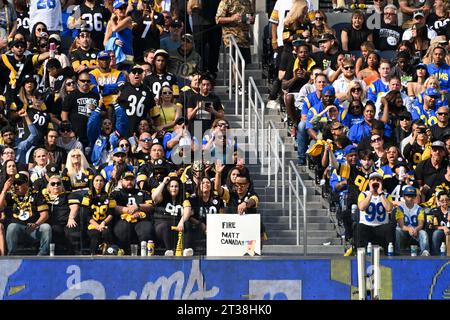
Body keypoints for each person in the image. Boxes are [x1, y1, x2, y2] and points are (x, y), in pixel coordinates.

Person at [0, 172, 51, 255]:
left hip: (34, 229)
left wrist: (36, 224)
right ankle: (11, 255)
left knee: (46, 227)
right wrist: (4, 190)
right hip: (18, 230)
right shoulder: (9, 196)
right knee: (12, 227)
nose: (16, 186)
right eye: (14, 183)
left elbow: (45, 215)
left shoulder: (36, 195)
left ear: (26, 184)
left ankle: (42, 255)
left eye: (19, 183)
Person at [111, 171, 155, 254]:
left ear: (135, 181)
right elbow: (113, 207)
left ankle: (145, 254)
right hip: (124, 219)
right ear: (121, 181)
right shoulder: (116, 193)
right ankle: (123, 252)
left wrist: (138, 207)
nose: (129, 182)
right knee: (121, 230)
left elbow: (151, 206)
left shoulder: (143, 193)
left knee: (146, 229)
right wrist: (127, 210)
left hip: (141, 219)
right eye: (126, 179)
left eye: (131, 179)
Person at [152, 173, 193, 256]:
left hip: (178, 227)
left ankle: (186, 250)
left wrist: (181, 222)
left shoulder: (183, 198)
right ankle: (169, 250)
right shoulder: (162, 197)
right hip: (162, 227)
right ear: (167, 187)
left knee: (187, 223)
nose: (174, 188)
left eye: (176, 186)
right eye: (171, 186)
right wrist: (163, 183)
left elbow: (188, 210)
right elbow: (154, 197)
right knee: (165, 226)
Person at [356, 172, 394, 255]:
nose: (375, 182)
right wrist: (371, 192)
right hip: (367, 226)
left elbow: (389, 208)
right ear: (369, 183)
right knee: (360, 227)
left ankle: (390, 253)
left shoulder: (387, 196)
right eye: (373, 180)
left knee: (389, 227)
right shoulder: (363, 194)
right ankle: (359, 253)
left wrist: (380, 193)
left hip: (381, 226)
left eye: (378, 180)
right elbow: (361, 207)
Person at [185, 176, 225, 253]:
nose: (206, 184)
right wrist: (201, 225)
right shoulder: (192, 199)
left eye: (208, 182)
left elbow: (222, 216)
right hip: (197, 227)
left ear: (211, 185)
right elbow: (189, 216)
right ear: (199, 186)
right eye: (203, 183)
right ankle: (188, 249)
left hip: (214, 228)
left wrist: (212, 227)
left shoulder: (218, 200)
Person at [61, 71, 100, 149]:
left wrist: (96, 109)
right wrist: (68, 130)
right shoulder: (71, 96)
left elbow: (103, 112)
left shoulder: (96, 96)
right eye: (83, 81)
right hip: (76, 133)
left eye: (88, 81)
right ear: (78, 81)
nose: (85, 83)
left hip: (92, 132)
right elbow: (64, 114)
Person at [42, 174, 80, 255]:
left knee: (72, 230)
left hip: (66, 222)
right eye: (53, 184)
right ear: (48, 186)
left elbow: (74, 207)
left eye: (58, 183)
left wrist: (71, 218)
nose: (56, 185)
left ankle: (74, 258)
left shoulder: (68, 195)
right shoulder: (43, 197)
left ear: (61, 185)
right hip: (50, 224)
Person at [117, 64, 155, 138]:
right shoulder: (122, 87)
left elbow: (152, 111)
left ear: (142, 75)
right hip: (123, 128)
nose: (137, 74)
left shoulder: (147, 90)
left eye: (139, 72)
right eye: (134, 72)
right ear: (129, 75)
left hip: (140, 130)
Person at [81, 173, 114, 255]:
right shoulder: (87, 195)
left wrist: (103, 223)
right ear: (93, 182)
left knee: (106, 233)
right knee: (95, 234)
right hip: (92, 224)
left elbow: (111, 213)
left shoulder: (109, 195)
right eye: (97, 180)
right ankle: (93, 255)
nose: (99, 183)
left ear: (104, 183)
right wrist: (97, 226)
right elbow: (86, 215)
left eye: (101, 181)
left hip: (104, 223)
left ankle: (106, 255)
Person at [216, 0, 255, 65]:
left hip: (244, 39)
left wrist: (250, 20)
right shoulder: (226, 1)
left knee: (244, 65)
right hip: (232, 38)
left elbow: (251, 19)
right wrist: (232, 18)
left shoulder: (247, 2)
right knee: (235, 64)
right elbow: (218, 19)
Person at [395, 186, 430, 256]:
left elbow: (421, 224)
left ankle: (425, 252)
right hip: (404, 231)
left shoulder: (420, 209)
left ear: (415, 197)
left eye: (412, 196)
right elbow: (401, 225)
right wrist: (409, 229)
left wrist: (416, 229)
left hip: (416, 231)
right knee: (398, 229)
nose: (410, 198)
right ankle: (399, 250)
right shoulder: (400, 208)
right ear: (404, 197)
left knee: (423, 233)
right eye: (408, 196)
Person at [103, 0, 134, 69]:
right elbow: (105, 42)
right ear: (115, 10)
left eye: (124, 8)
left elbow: (115, 29)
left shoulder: (128, 19)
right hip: (115, 58)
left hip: (127, 56)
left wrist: (111, 19)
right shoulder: (110, 23)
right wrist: (113, 41)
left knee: (126, 77)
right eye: (120, 8)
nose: (123, 10)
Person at [429, 191, 450, 255]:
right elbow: (430, 226)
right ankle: (435, 254)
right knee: (437, 233)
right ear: (438, 201)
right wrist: (443, 228)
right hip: (439, 232)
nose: (445, 202)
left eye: (447, 200)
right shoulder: (433, 211)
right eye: (442, 201)